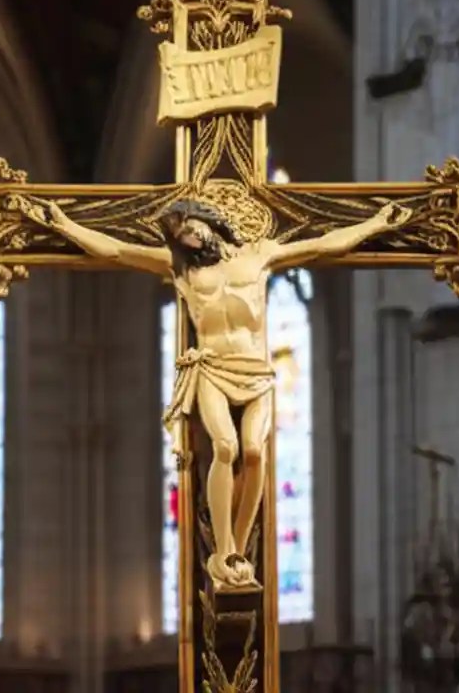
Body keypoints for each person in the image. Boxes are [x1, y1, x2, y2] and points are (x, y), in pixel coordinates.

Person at [23, 194, 411, 590]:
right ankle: (223, 549)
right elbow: (119, 251)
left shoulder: (260, 254)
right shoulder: (181, 269)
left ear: (208, 221)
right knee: (225, 447)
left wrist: (376, 224)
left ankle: (239, 549)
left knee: (255, 452)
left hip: (256, 372)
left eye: (191, 228)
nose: (190, 238)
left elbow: (321, 245)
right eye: (182, 237)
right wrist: (65, 225)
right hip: (211, 367)